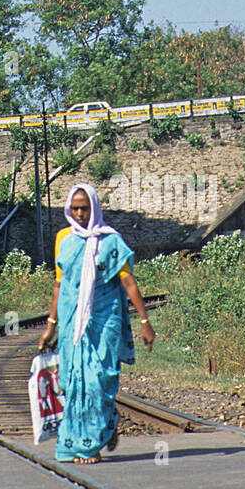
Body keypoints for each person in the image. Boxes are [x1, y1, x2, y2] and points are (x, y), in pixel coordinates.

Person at [36, 184, 156, 464]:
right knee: (75, 382)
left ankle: (99, 432)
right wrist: (50, 325)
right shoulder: (64, 239)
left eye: (84, 208)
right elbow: (59, 283)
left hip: (104, 319)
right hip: (71, 321)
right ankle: (82, 444)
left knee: (99, 380)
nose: (79, 213)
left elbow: (127, 281)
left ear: (94, 208)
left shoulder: (111, 240)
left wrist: (145, 321)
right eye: (75, 208)